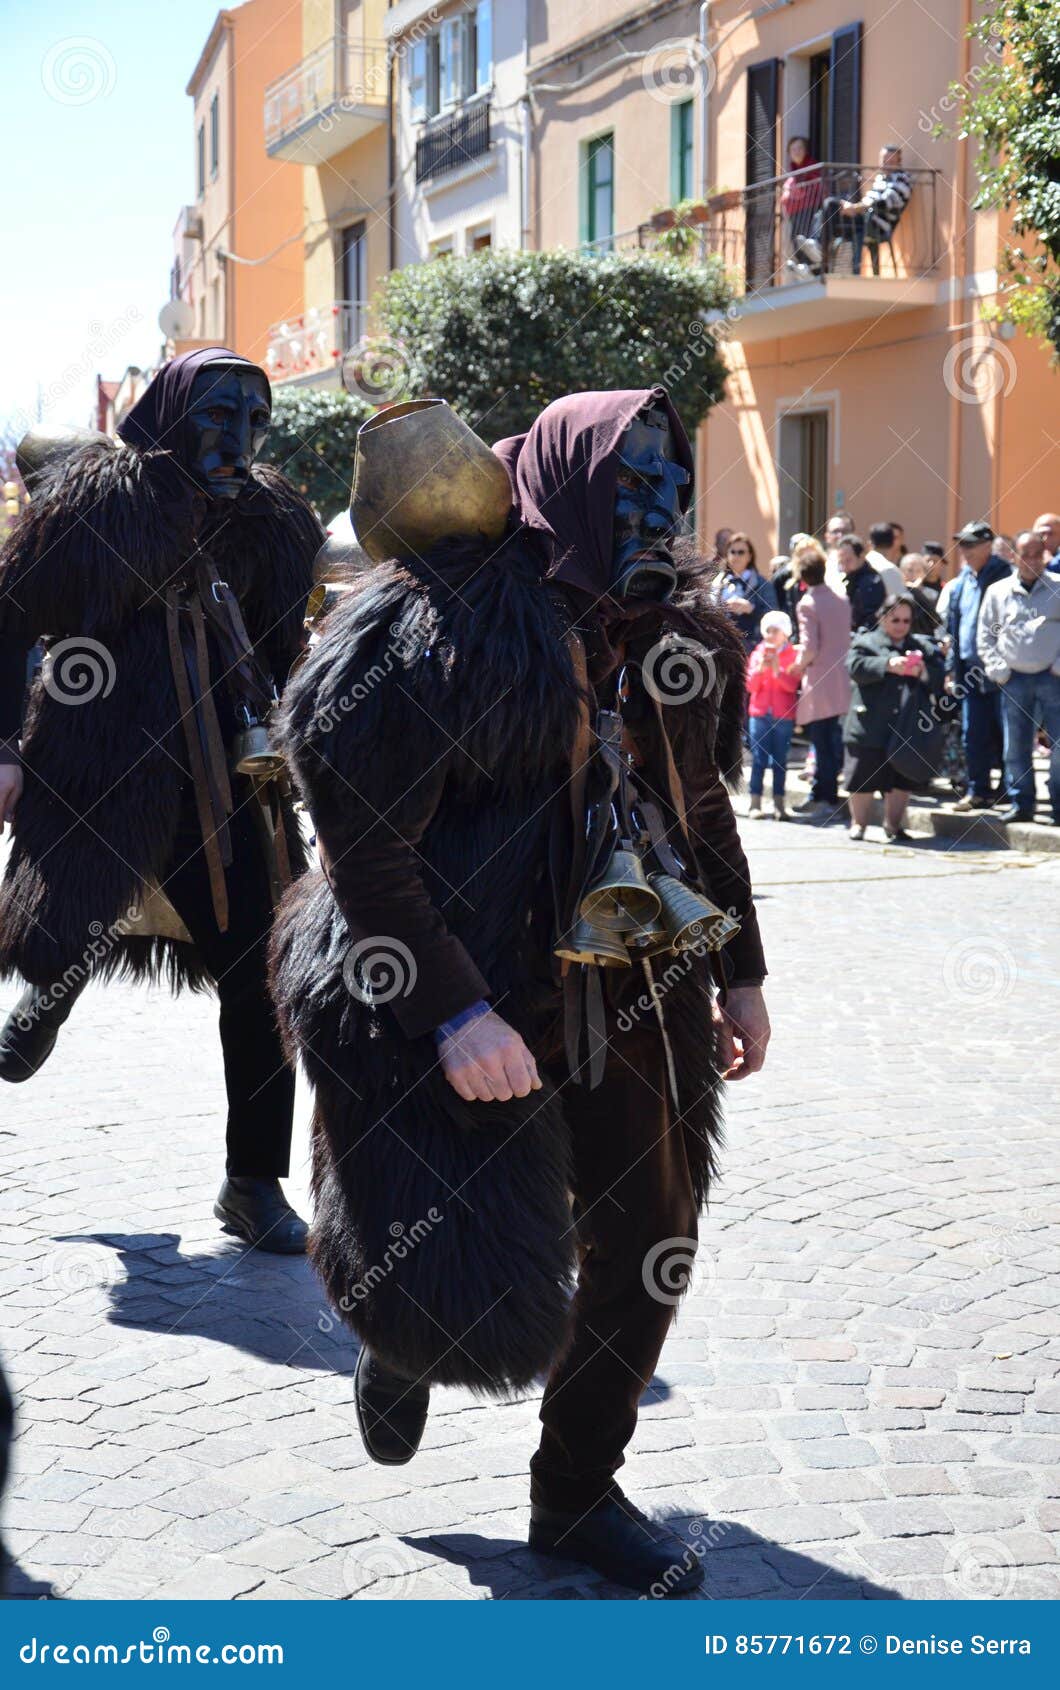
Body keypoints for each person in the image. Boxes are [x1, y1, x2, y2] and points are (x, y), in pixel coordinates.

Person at [269, 389, 771, 1597]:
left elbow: (702, 814)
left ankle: (577, 1492)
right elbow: (365, 845)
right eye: (631, 483)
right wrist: (451, 1007)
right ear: (563, 487)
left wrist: (743, 972)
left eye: (672, 482)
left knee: (650, 1234)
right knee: (426, 1226)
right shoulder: (440, 627)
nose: (661, 507)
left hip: (636, 983)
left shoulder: (681, 642)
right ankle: (399, 1338)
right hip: (460, 977)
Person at [0, 349, 322, 1251]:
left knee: (264, 978)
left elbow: (281, 648)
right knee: (64, 915)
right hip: (98, 758)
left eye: (256, 421)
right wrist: (2, 748)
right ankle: (47, 997)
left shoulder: (271, 523)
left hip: (228, 776)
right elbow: (8, 619)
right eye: (220, 415)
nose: (241, 437)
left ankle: (252, 1182)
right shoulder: (97, 503)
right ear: (175, 411)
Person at [844, 594, 946, 841]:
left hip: (907, 726)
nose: (900, 625)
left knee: (902, 779)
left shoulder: (921, 646)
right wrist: (888, 665)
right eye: (895, 619)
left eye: (906, 621)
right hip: (869, 724)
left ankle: (894, 825)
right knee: (862, 778)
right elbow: (855, 666)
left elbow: (939, 676)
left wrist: (921, 671)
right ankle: (859, 824)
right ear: (882, 617)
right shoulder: (866, 641)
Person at [979, 529, 1060, 824]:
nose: (1032, 561)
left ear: (1045, 556)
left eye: (1037, 555)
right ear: (1014, 556)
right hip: (1014, 679)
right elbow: (985, 635)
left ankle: (1058, 806)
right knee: (1016, 745)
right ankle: (1021, 803)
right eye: (1025, 555)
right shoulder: (998, 592)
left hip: (1053, 678)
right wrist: (998, 670)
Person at [947, 519, 1012, 812]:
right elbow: (953, 627)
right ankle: (978, 790)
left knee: (1008, 734)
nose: (965, 550)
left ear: (988, 545)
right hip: (970, 671)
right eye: (962, 544)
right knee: (973, 734)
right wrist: (952, 668)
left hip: (1001, 670)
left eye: (971, 544)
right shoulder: (963, 581)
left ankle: (1010, 790)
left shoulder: (1004, 577)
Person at [791, 547, 852, 816]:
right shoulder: (841, 598)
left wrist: (795, 666)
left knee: (820, 738)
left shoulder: (807, 603)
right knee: (832, 737)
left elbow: (810, 647)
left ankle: (822, 793)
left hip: (819, 676)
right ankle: (828, 791)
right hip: (842, 674)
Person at [805, 145, 913, 276]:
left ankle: (819, 255)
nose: (886, 164)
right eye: (884, 161)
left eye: (891, 161)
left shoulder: (902, 178)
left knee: (832, 209)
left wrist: (855, 209)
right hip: (865, 218)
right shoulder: (881, 179)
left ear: (899, 162)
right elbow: (868, 202)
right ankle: (817, 252)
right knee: (829, 207)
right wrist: (852, 209)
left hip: (877, 225)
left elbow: (883, 203)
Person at [746, 610, 800, 819]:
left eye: (775, 630)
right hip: (759, 713)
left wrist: (777, 670)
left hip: (783, 715)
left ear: (785, 633)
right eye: (767, 630)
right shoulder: (757, 653)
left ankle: (779, 803)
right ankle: (755, 803)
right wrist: (760, 669)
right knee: (758, 759)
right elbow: (751, 685)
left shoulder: (792, 655)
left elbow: (792, 686)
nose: (770, 635)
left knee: (780, 760)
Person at [717, 531, 775, 653]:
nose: (736, 556)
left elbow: (774, 615)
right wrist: (723, 607)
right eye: (733, 552)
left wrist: (751, 609)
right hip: (722, 647)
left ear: (749, 556)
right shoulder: (717, 582)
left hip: (752, 648)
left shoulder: (762, 584)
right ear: (727, 555)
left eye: (741, 552)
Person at [780, 136, 824, 273]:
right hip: (795, 214)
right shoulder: (793, 173)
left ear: (806, 151)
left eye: (799, 148)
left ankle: (814, 270)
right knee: (796, 241)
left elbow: (816, 189)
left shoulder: (812, 167)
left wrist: (795, 193)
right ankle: (804, 268)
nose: (796, 151)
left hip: (810, 211)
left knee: (807, 242)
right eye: (793, 149)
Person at [837, 533, 887, 630]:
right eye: (841, 561)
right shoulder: (849, 579)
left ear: (861, 556)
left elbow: (870, 620)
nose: (844, 567)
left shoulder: (872, 583)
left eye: (848, 560)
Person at [900, 552, 943, 637]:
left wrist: (916, 592)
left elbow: (936, 621)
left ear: (924, 574)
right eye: (910, 570)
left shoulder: (932, 594)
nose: (914, 575)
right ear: (901, 572)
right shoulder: (897, 591)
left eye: (918, 571)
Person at [865, 522, 906, 596]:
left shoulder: (859, 564)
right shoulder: (890, 570)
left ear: (870, 543)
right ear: (892, 543)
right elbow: (902, 602)